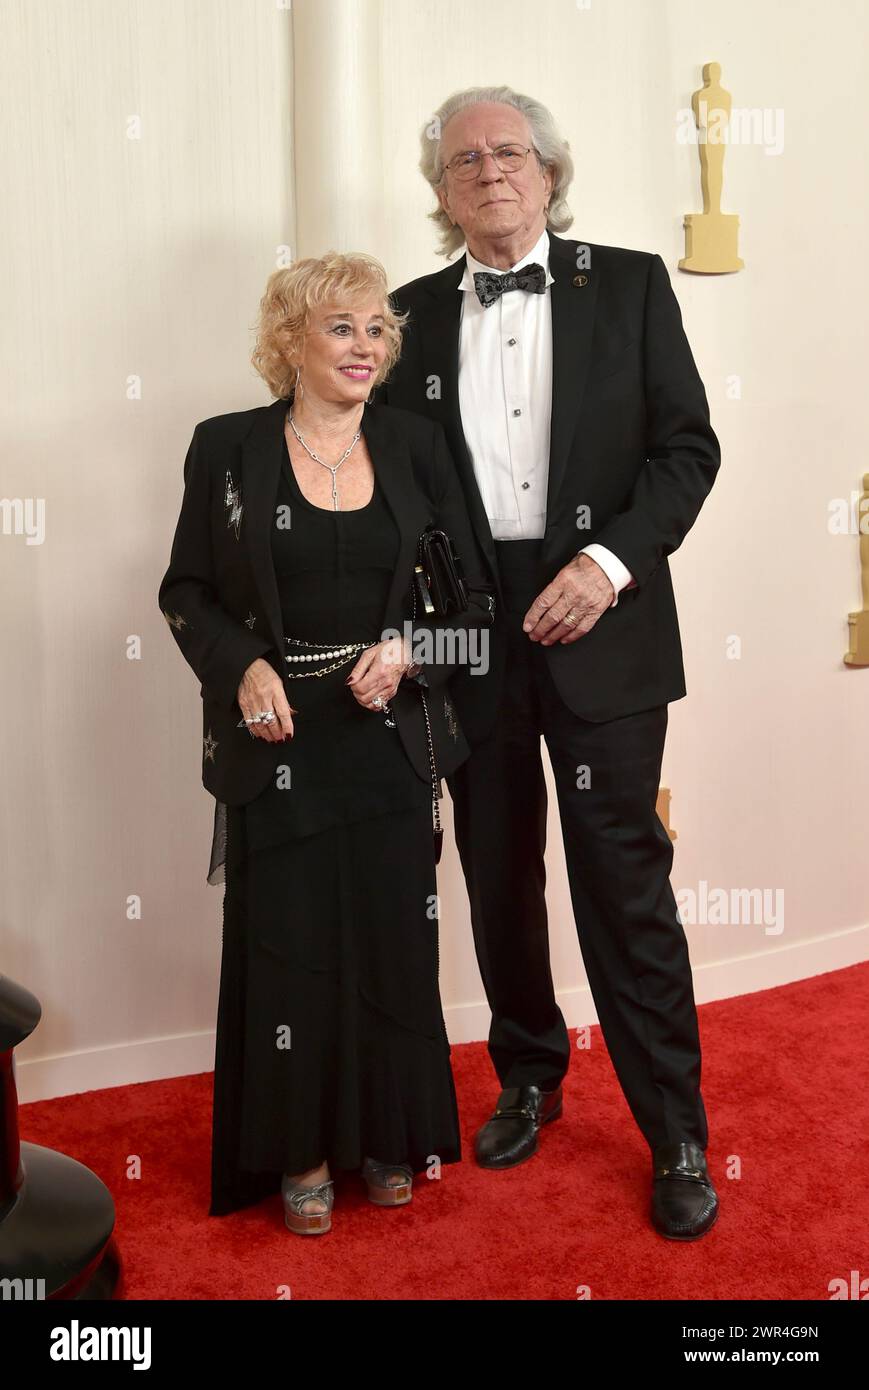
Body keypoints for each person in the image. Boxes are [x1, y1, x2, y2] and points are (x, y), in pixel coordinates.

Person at [375, 85, 722, 1240]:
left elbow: (684, 449)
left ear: (549, 170)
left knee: (622, 881)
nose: (488, 171)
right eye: (462, 159)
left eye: (508, 152)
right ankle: (528, 1071)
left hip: (602, 617)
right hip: (467, 633)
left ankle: (674, 1126)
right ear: (438, 190)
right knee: (496, 867)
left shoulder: (624, 284)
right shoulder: (407, 316)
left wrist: (609, 562)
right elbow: (394, 490)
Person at [158, 251, 494, 1233]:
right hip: (278, 744)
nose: (365, 345)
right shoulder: (225, 448)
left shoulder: (418, 446)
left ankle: (388, 1135)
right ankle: (299, 1149)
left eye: (377, 329)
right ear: (290, 342)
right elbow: (185, 594)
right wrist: (240, 669)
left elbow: (474, 609)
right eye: (341, 327)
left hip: (389, 743)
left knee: (393, 942)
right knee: (290, 953)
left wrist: (407, 649)